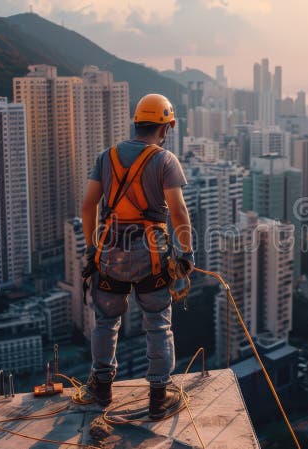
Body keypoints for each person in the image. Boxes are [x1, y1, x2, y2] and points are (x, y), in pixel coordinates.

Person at [80, 93, 194, 419]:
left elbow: (88, 205)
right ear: (166, 127)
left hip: (109, 251)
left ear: (136, 122)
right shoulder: (165, 160)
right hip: (152, 256)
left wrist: (91, 248)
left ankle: (101, 388)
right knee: (157, 324)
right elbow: (178, 211)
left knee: (106, 322)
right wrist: (186, 253)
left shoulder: (107, 157)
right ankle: (159, 396)